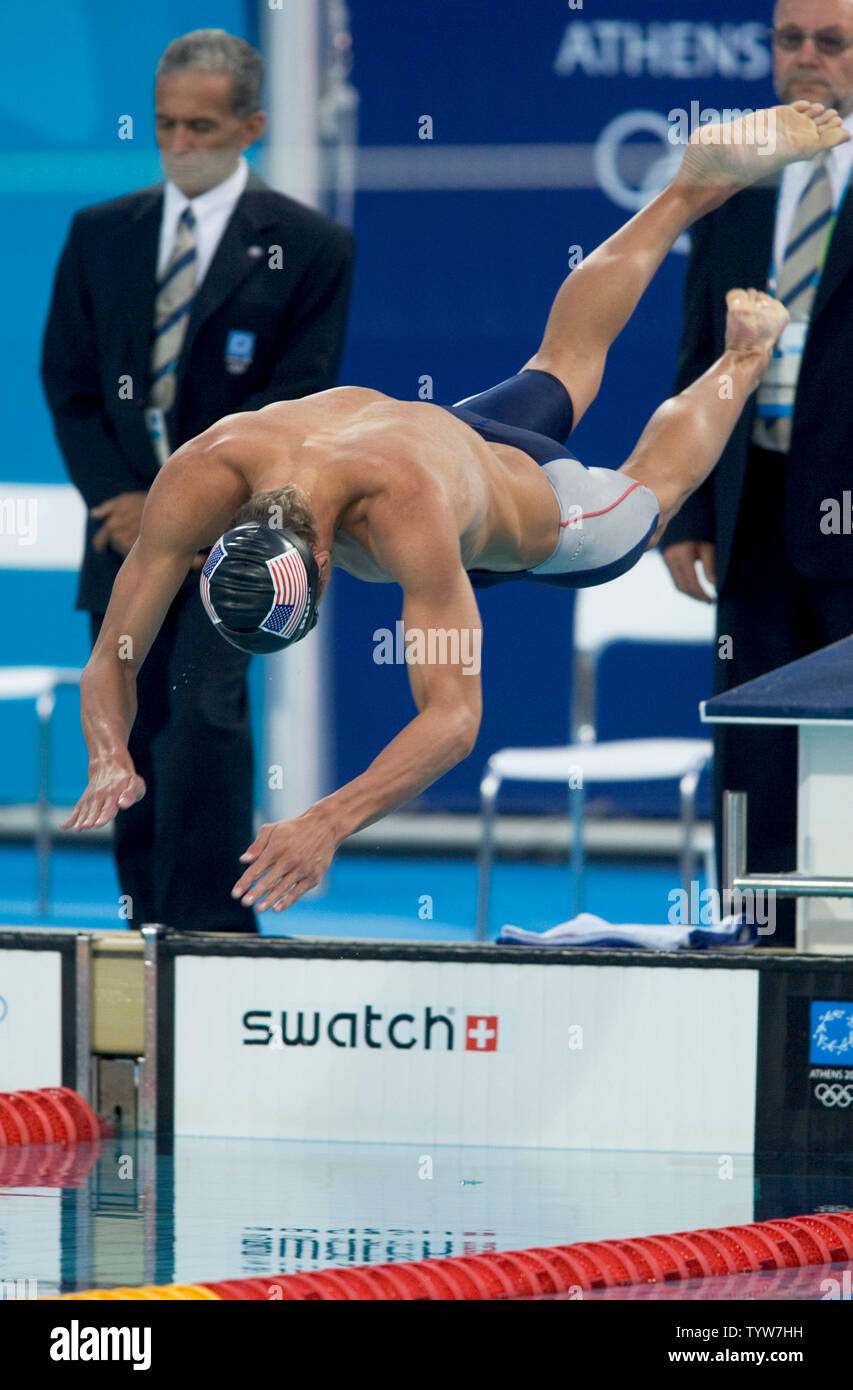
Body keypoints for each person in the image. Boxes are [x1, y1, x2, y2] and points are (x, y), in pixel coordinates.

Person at [63, 102, 846, 922]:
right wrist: (109, 750)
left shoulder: (404, 511)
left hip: (534, 504)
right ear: (222, 538)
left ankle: (742, 357)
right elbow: (114, 654)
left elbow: (453, 719)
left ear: (324, 564)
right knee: (560, 359)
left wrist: (325, 822)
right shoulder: (205, 466)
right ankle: (685, 191)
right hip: (453, 430)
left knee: (647, 499)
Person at [42, 30, 354, 933]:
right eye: (166, 126)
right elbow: (68, 386)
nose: (180, 144)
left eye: (202, 127)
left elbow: (299, 404)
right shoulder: (101, 236)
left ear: (251, 125)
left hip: (238, 547)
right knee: (131, 737)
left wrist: (189, 508)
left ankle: (211, 940)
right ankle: (144, 929)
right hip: (122, 537)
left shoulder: (309, 247)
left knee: (207, 732)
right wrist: (123, 505)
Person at [662, 1, 853, 947]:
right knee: (753, 750)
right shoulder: (732, 172)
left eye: (831, 41)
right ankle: (754, 946)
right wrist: (686, 503)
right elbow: (698, 339)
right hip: (751, 506)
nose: (805, 60)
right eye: (789, 40)